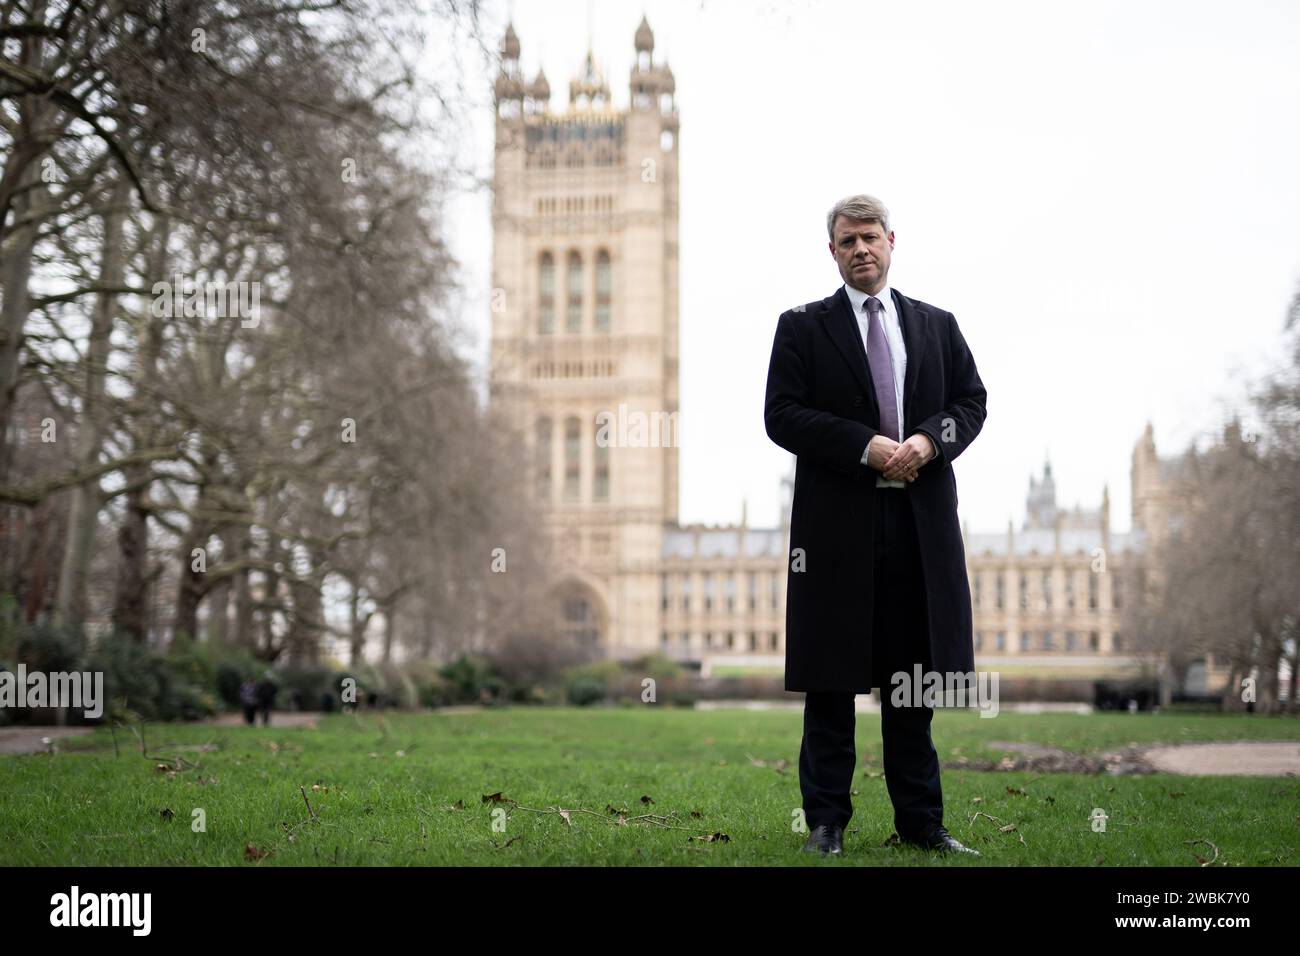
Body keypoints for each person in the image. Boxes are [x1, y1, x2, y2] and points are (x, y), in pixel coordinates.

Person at [763, 194, 988, 856]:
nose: (861, 249)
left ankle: (921, 825)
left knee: (912, 686)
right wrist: (864, 445)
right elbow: (782, 415)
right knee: (831, 686)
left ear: (892, 241)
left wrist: (928, 439)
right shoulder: (801, 327)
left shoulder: (936, 326)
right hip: (837, 534)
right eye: (847, 241)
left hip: (918, 530)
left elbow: (972, 402)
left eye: (870, 238)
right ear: (831, 252)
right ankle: (826, 825)